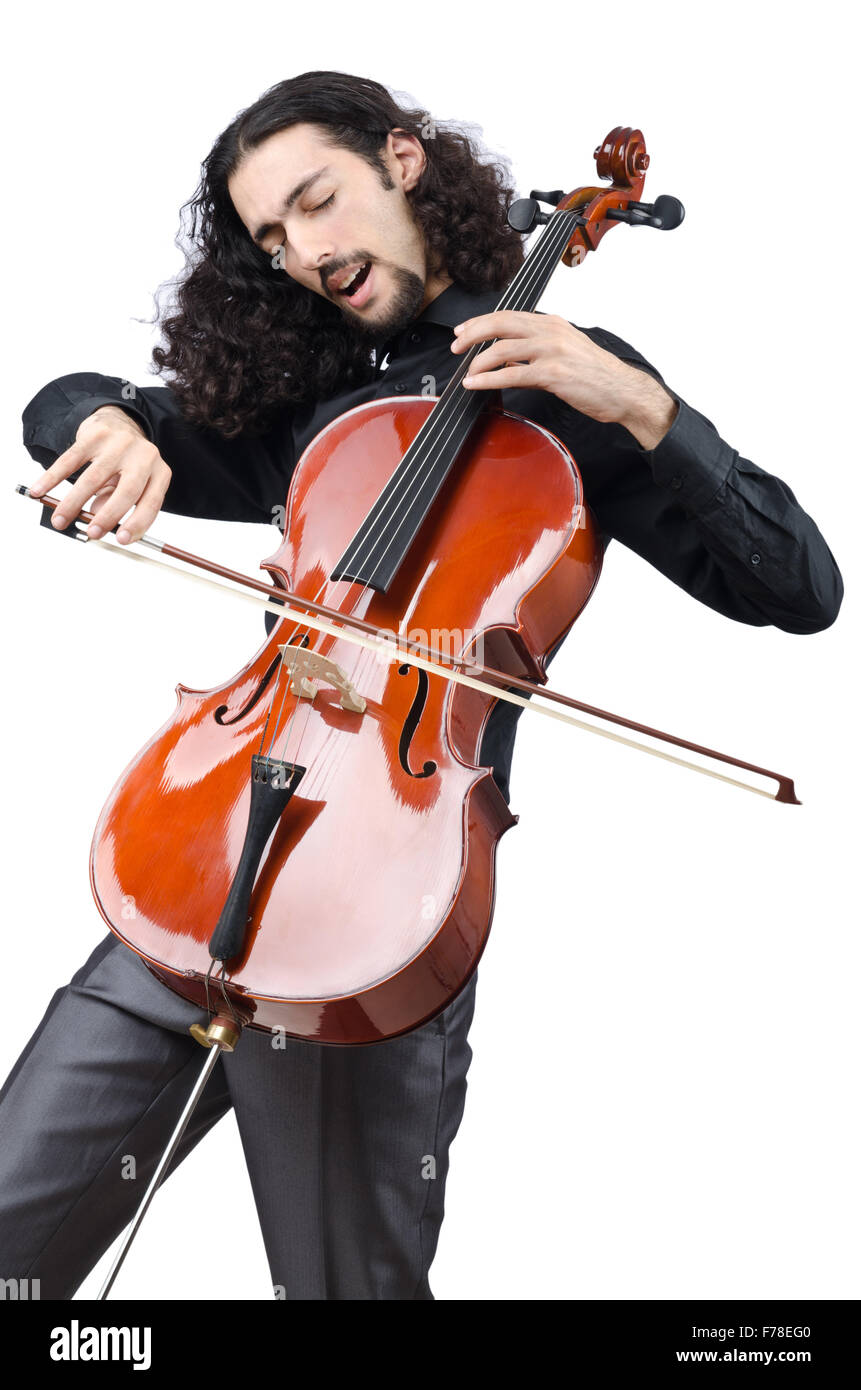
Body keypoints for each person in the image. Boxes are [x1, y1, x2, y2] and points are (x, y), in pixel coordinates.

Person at [1, 71, 843, 1301]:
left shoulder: (570, 397)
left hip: (373, 909)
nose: (305, 252)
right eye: (274, 239)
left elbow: (799, 585)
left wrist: (645, 406)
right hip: (194, 865)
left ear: (402, 161)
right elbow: (65, 404)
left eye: (318, 202)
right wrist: (115, 423)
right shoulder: (311, 405)